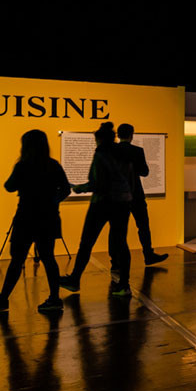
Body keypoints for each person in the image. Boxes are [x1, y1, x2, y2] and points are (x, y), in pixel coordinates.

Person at [0, 130, 72, 313]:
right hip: (48, 218)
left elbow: (9, 186)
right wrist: (53, 201)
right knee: (49, 258)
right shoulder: (53, 165)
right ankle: (55, 298)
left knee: (17, 260)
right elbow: (66, 189)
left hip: (26, 218)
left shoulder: (23, 166)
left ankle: (2, 299)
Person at [60, 122, 135, 297]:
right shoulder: (124, 152)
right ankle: (124, 284)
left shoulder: (101, 153)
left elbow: (97, 183)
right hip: (123, 202)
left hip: (102, 202)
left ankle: (74, 279)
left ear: (99, 139)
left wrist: (79, 188)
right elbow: (130, 179)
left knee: (86, 242)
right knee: (121, 243)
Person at [117, 123, 168, 265]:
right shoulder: (137, 151)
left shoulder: (113, 151)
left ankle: (117, 260)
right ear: (131, 135)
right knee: (143, 226)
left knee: (120, 229)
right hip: (136, 195)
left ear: (118, 135)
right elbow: (144, 172)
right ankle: (148, 254)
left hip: (119, 196)